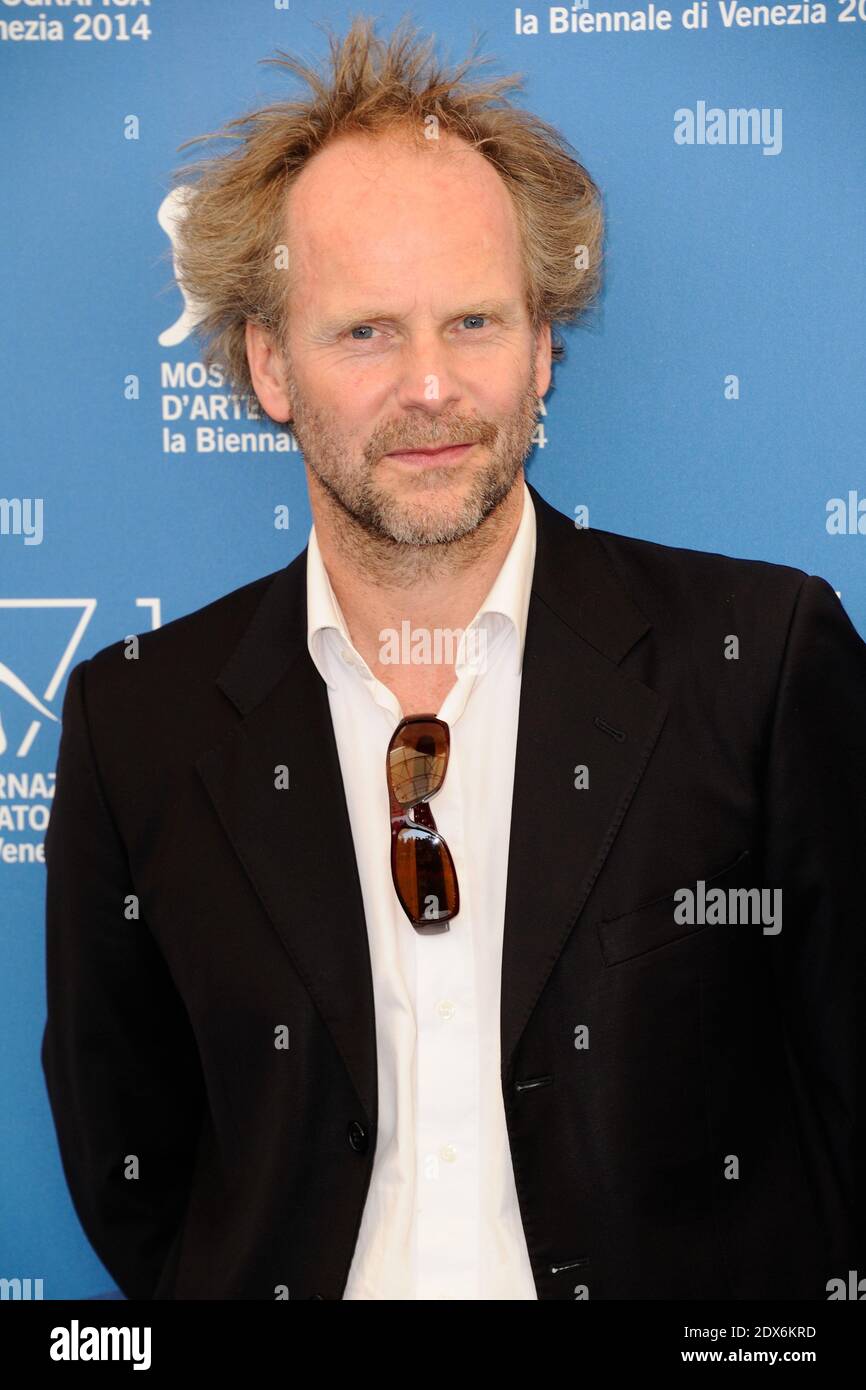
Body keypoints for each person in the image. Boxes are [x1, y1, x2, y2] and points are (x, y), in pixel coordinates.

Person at [41, 15, 866, 1300]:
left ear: (542, 347)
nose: (430, 385)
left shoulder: (754, 667)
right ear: (268, 362)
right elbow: (127, 1155)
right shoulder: (136, 726)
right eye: (364, 331)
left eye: (473, 321)